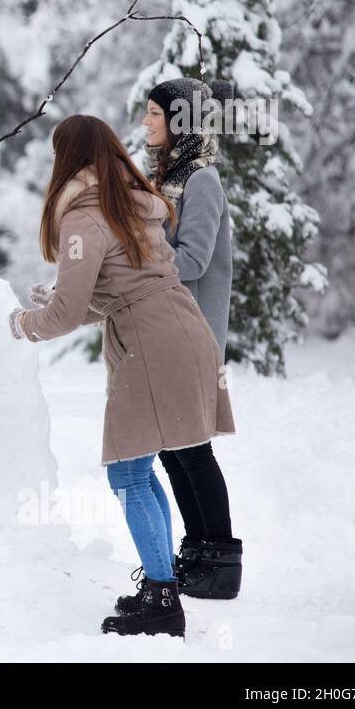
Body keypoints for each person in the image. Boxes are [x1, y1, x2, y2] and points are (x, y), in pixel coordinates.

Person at [10, 114, 235, 638]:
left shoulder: (83, 217)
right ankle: (162, 586)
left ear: (65, 159)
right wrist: (65, 301)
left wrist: (23, 324)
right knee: (141, 469)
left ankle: (161, 599)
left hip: (151, 348)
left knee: (128, 474)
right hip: (184, 330)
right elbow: (122, 290)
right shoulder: (130, 205)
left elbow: (66, 317)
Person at [137, 77, 243, 601]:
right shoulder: (165, 177)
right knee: (172, 450)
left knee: (191, 450)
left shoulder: (200, 180)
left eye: (155, 114)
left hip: (191, 331)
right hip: (166, 330)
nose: (146, 122)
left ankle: (220, 561)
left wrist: (137, 270)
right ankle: (199, 554)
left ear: (179, 122)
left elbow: (195, 258)